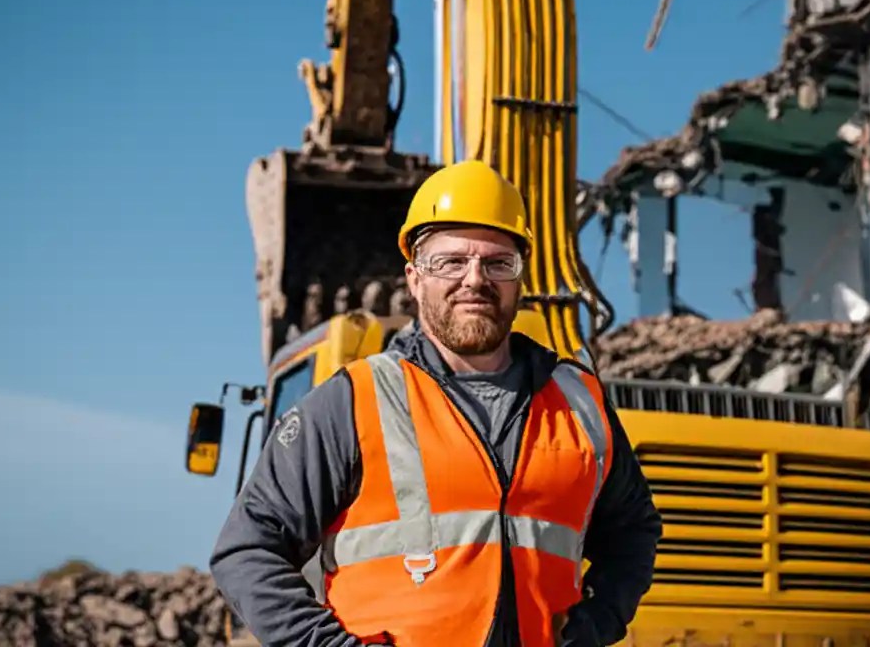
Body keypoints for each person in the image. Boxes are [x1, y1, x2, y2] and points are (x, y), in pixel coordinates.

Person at [209, 159, 662, 647]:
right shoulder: (353, 401)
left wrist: (596, 623)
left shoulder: (580, 403)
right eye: (450, 262)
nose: (475, 279)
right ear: (414, 278)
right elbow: (247, 551)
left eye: (498, 263)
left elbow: (634, 530)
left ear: (520, 279)